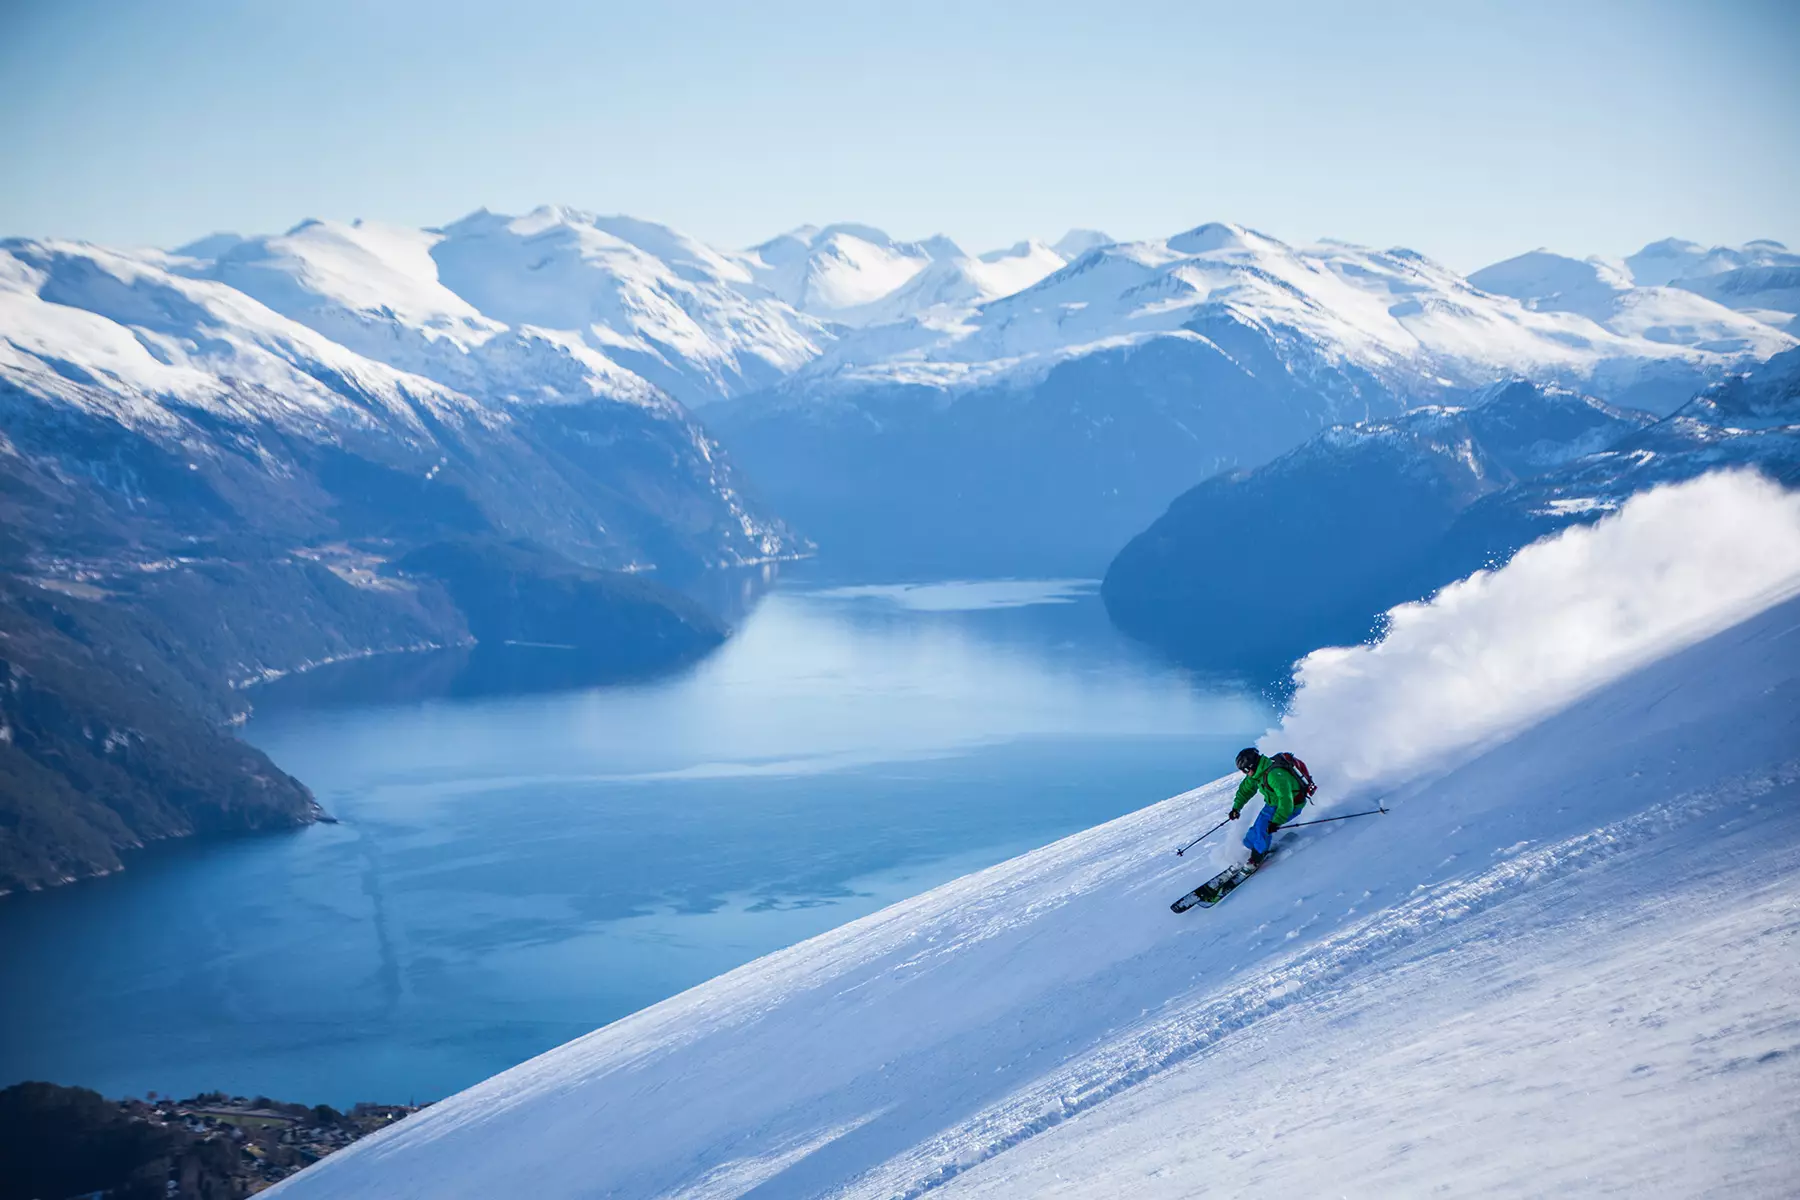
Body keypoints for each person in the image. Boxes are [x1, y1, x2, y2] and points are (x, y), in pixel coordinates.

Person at [1228, 747, 1307, 867]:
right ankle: (1255, 847)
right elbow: (1245, 790)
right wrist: (1236, 808)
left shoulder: (1274, 776)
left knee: (1262, 828)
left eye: (1245, 770)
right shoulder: (1257, 774)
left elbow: (1286, 800)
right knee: (1252, 836)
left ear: (1252, 765)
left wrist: (1276, 821)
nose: (1245, 773)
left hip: (1291, 806)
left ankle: (1257, 857)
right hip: (1273, 804)